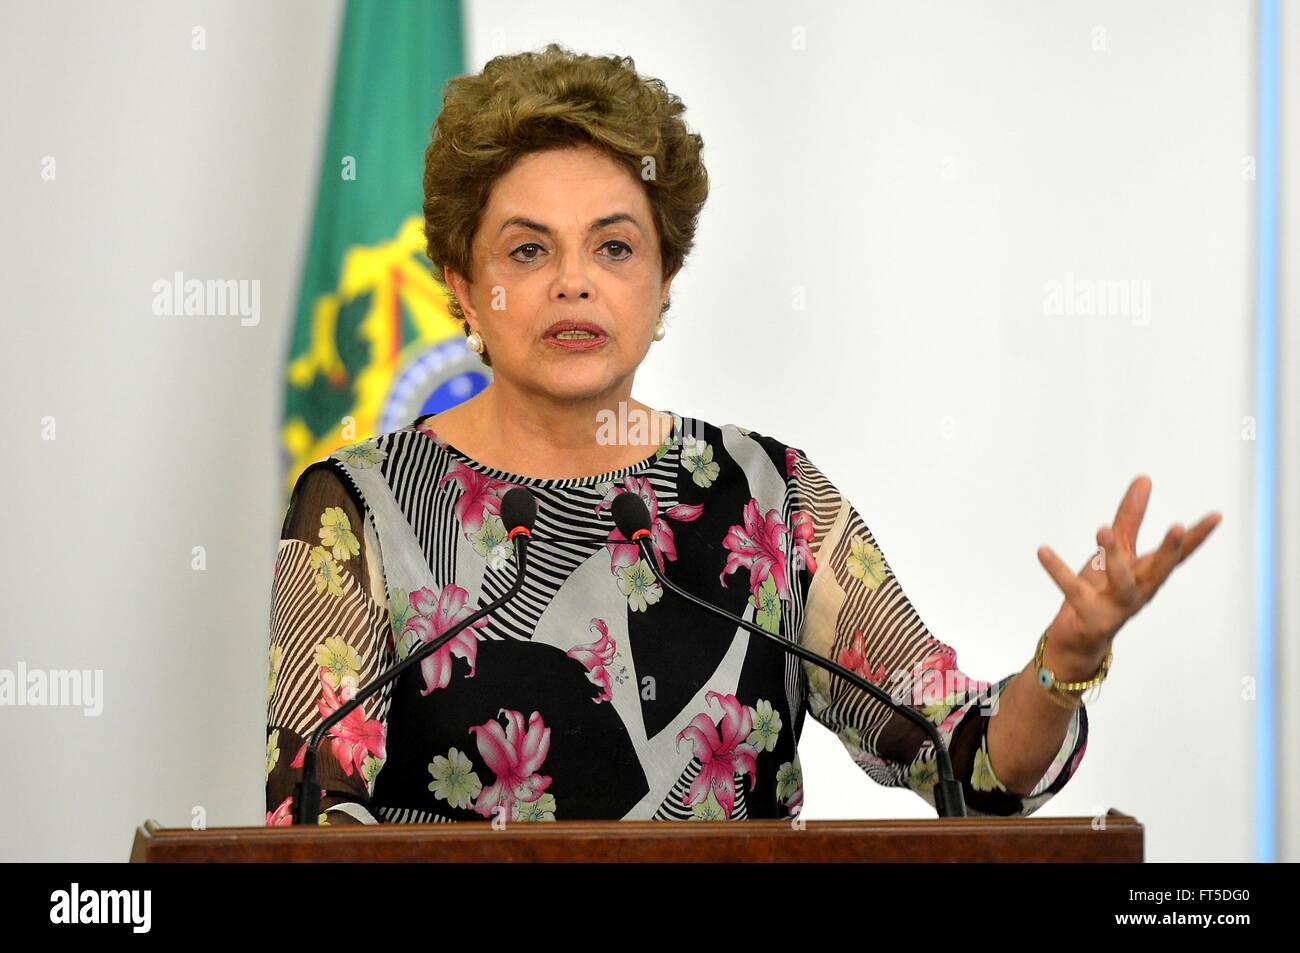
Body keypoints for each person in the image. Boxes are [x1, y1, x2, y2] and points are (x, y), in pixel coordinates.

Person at [265, 43, 1220, 825]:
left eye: (614, 246)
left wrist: (1067, 661)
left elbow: (966, 764)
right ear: (464, 287)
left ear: (664, 281)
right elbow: (312, 825)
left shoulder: (769, 499)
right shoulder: (356, 507)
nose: (573, 281)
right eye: (528, 249)